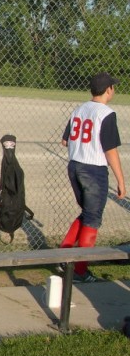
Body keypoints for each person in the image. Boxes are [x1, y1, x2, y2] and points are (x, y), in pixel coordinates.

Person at [60, 72, 126, 283]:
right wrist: (121, 181)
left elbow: (65, 141)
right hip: (94, 170)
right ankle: (79, 270)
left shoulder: (79, 109)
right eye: (113, 87)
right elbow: (110, 151)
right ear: (108, 90)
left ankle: (63, 256)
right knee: (93, 218)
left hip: (74, 166)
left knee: (87, 213)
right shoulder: (106, 113)